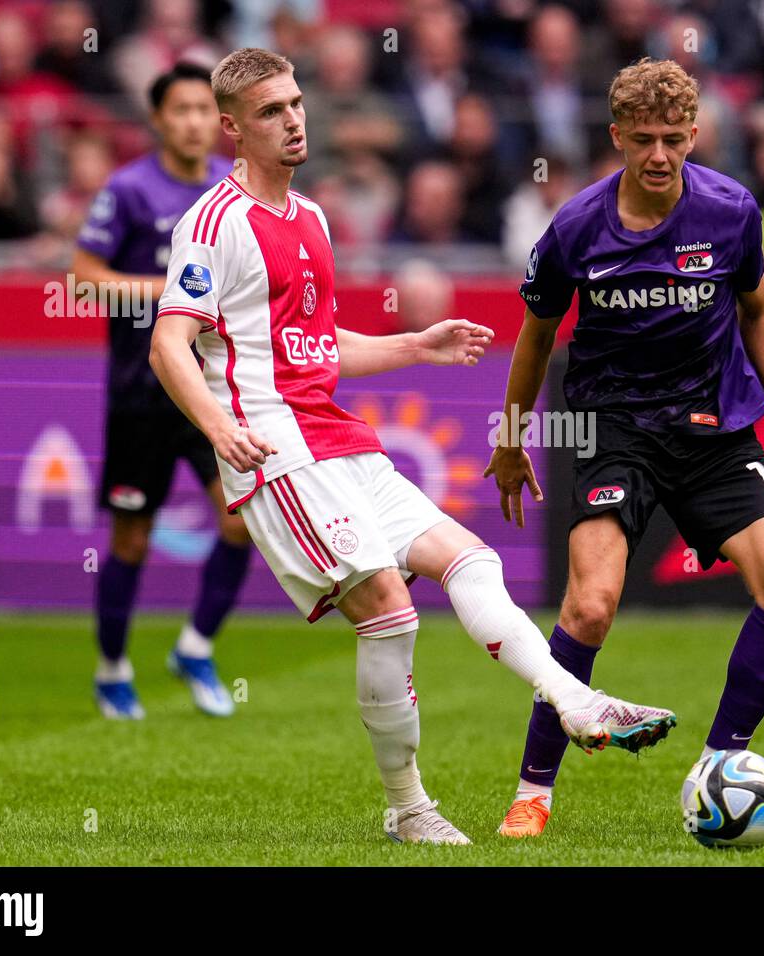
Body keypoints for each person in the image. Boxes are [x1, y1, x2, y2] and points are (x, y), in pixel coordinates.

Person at [148, 48, 677, 845]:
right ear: (231, 128)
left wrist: (415, 347)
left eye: (295, 103)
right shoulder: (212, 222)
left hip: (333, 433)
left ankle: (573, 700)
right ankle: (408, 808)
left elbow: (315, 345)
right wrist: (222, 429)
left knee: (470, 558)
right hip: (276, 448)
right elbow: (169, 343)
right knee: (390, 614)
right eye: (269, 112)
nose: (292, 119)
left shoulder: (312, 218)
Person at [484, 58, 764, 839]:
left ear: (693, 136)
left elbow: (757, 311)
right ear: (617, 137)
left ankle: (724, 767)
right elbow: (537, 336)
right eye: (642, 139)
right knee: (591, 604)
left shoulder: (731, 210)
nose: (658, 155)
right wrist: (512, 437)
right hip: (611, 429)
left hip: (715, 424)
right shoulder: (577, 227)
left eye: (674, 139)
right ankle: (533, 791)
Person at [74, 63, 246, 721]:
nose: (196, 121)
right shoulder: (128, 191)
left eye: (206, 108)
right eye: (182, 109)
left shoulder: (229, 193)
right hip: (140, 394)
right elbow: (84, 276)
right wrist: (169, 293)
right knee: (130, 542)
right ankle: (112, 670)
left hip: (205, 394)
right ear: (158, 120)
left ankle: (195, 647)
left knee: (240, 523)